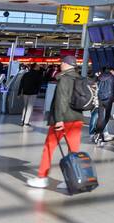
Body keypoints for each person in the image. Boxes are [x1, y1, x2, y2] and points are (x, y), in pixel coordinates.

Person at [27, 57, 87, 190]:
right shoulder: (79, 78)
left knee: (49, 147)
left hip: (63, 119)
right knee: (73, 151)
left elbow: (61, 100)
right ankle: (71, 179)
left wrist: (58, 119)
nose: (60, 65)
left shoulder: (64, 79)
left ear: (66, 64)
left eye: (62, 62)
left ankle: (42, 178)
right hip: (77, 119)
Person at [17, 62, 46, 127]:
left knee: (25, 107)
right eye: (38, 66)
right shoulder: (38, 75)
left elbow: (21, 83)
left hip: (25, 92)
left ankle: (22, 120)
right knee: (30, 107)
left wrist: (19, 93)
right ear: (35, 67)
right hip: (33, 92)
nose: (39, 67)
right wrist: (38, 91)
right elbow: (39, 84)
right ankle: (26, 122)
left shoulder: (26, 74)